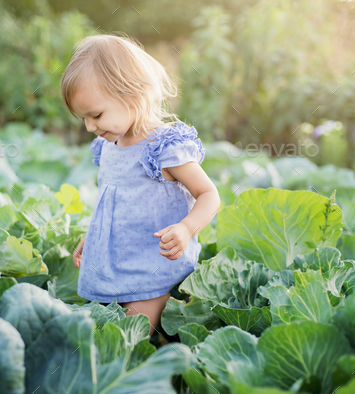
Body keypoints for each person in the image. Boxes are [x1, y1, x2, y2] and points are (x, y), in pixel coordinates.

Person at [60, 33, 220, 337]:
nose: (90, 126)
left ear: (133, 95)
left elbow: (209, 195)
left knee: (132, 335)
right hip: (115, 262)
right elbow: (112, 201)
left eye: (96, 115)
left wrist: (186, 228)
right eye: (83, 118)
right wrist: (91, 236)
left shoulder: (164, 148)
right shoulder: (108, 146)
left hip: (155, 267)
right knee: (100, 332)